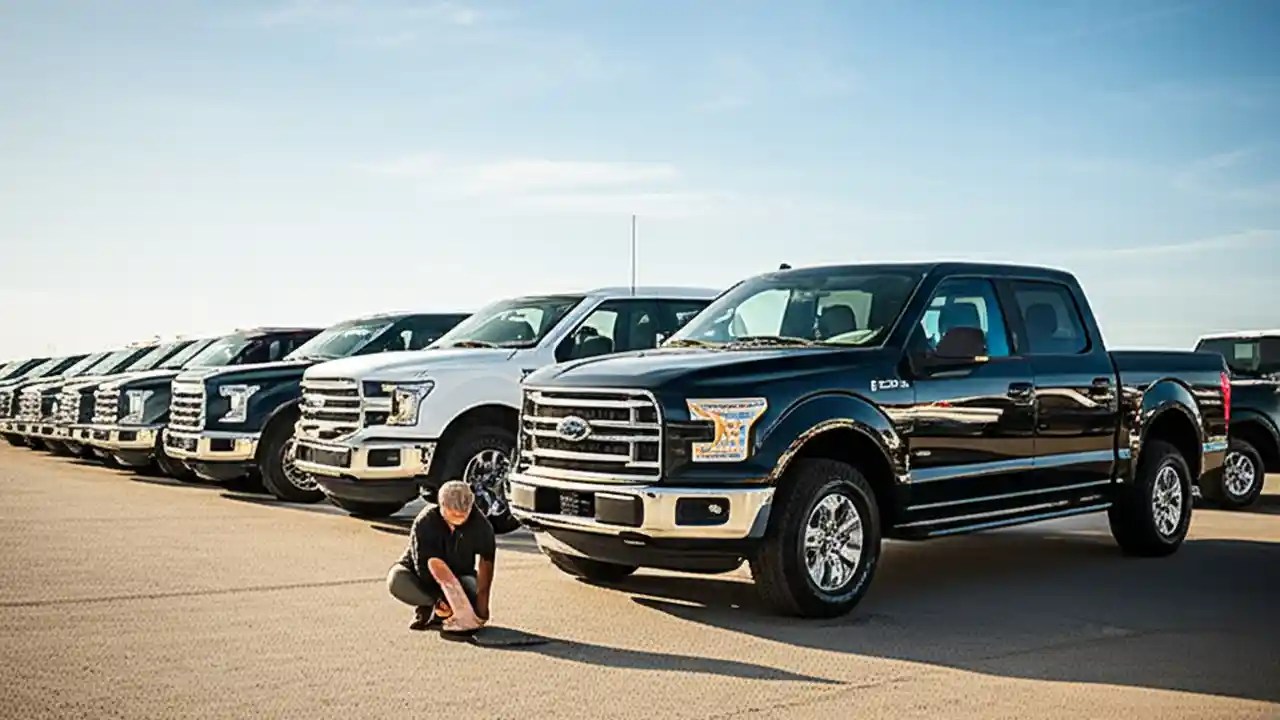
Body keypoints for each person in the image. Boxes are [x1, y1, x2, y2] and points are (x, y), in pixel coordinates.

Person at [386, 480, 495, 633]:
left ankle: (449, 611)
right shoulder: (426, 521)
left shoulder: (482, 527)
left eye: (463, 515)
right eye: (453, 514)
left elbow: (487, 563)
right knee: (397, 579)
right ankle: (429, 607)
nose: (459, 518)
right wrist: (440, 600)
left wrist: (483, 608)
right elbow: (424, 566)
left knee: (472, 587)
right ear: (441, 505)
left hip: (460, 576)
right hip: (421, 576)